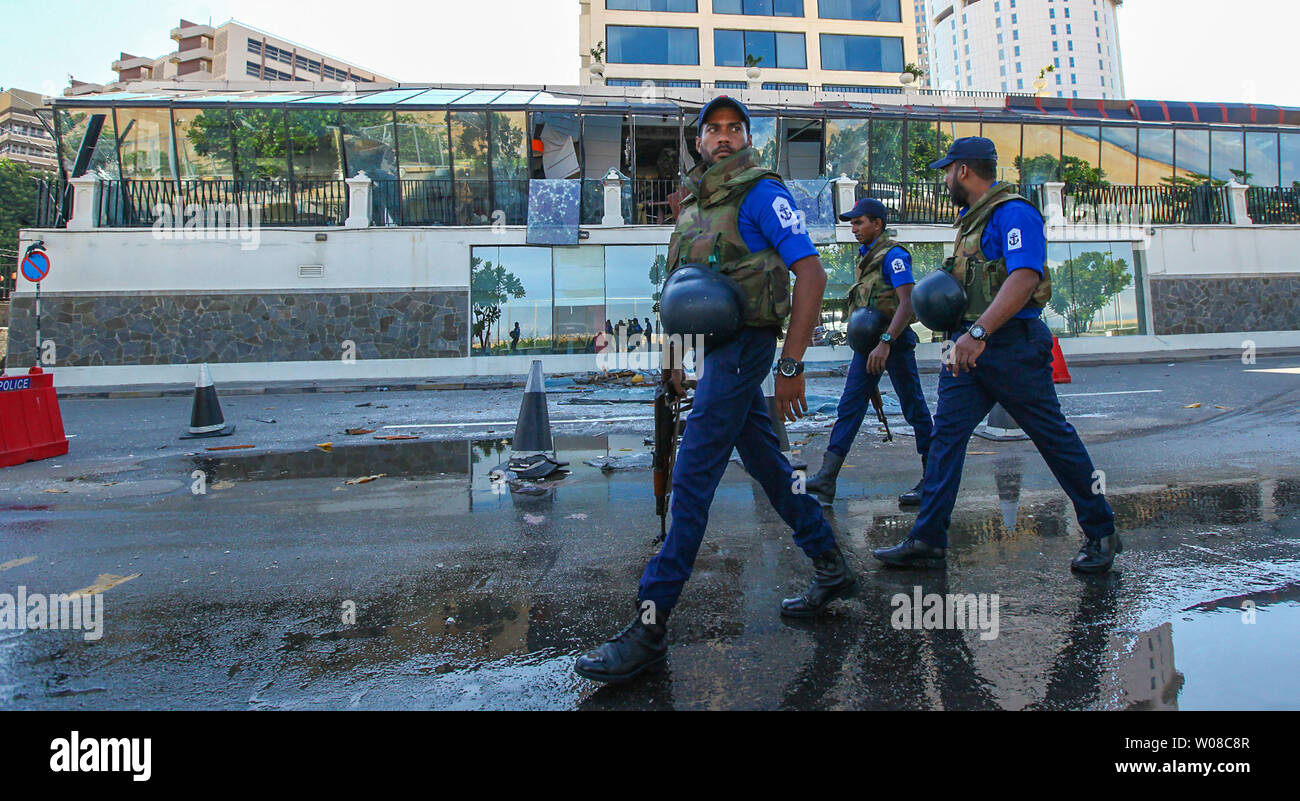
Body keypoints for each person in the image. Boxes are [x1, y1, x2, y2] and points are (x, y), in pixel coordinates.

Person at [574, 96, 855, 684]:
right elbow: (680, 292)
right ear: (698, 141)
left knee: (692, 476)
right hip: (712, 349)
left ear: (747, 138)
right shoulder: (692, 206)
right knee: (770, 468)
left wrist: (791, 364)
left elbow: (811, 273)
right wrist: (674, 361)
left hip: (748, 344)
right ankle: (830, 564)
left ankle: (650, 626)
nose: (723, 137)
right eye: (713, 130)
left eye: (734, 129)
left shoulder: (763, 194)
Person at [871, 137, 1121, 574]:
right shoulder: (972, 221)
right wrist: (963, 337)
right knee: (946, 438)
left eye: (947, 171)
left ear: (963, 170)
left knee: (1052, 437)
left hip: (1010, 344)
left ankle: (1102, 531)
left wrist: (980, 332)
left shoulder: (1014, 213)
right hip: (967, 346)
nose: (944, 180)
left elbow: (1024, 276)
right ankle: (928, 539)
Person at [805, 198, 934, 508]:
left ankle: (934, 479)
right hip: (869, 348)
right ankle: (826, 479)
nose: (854, 228)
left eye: (859, 222)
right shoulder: (868, 256)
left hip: (893, 344)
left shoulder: (894, 256)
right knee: (849, 407)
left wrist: (886, 342)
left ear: (878, 224)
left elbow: (908, 302)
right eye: (852, 223)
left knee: (914, 408)